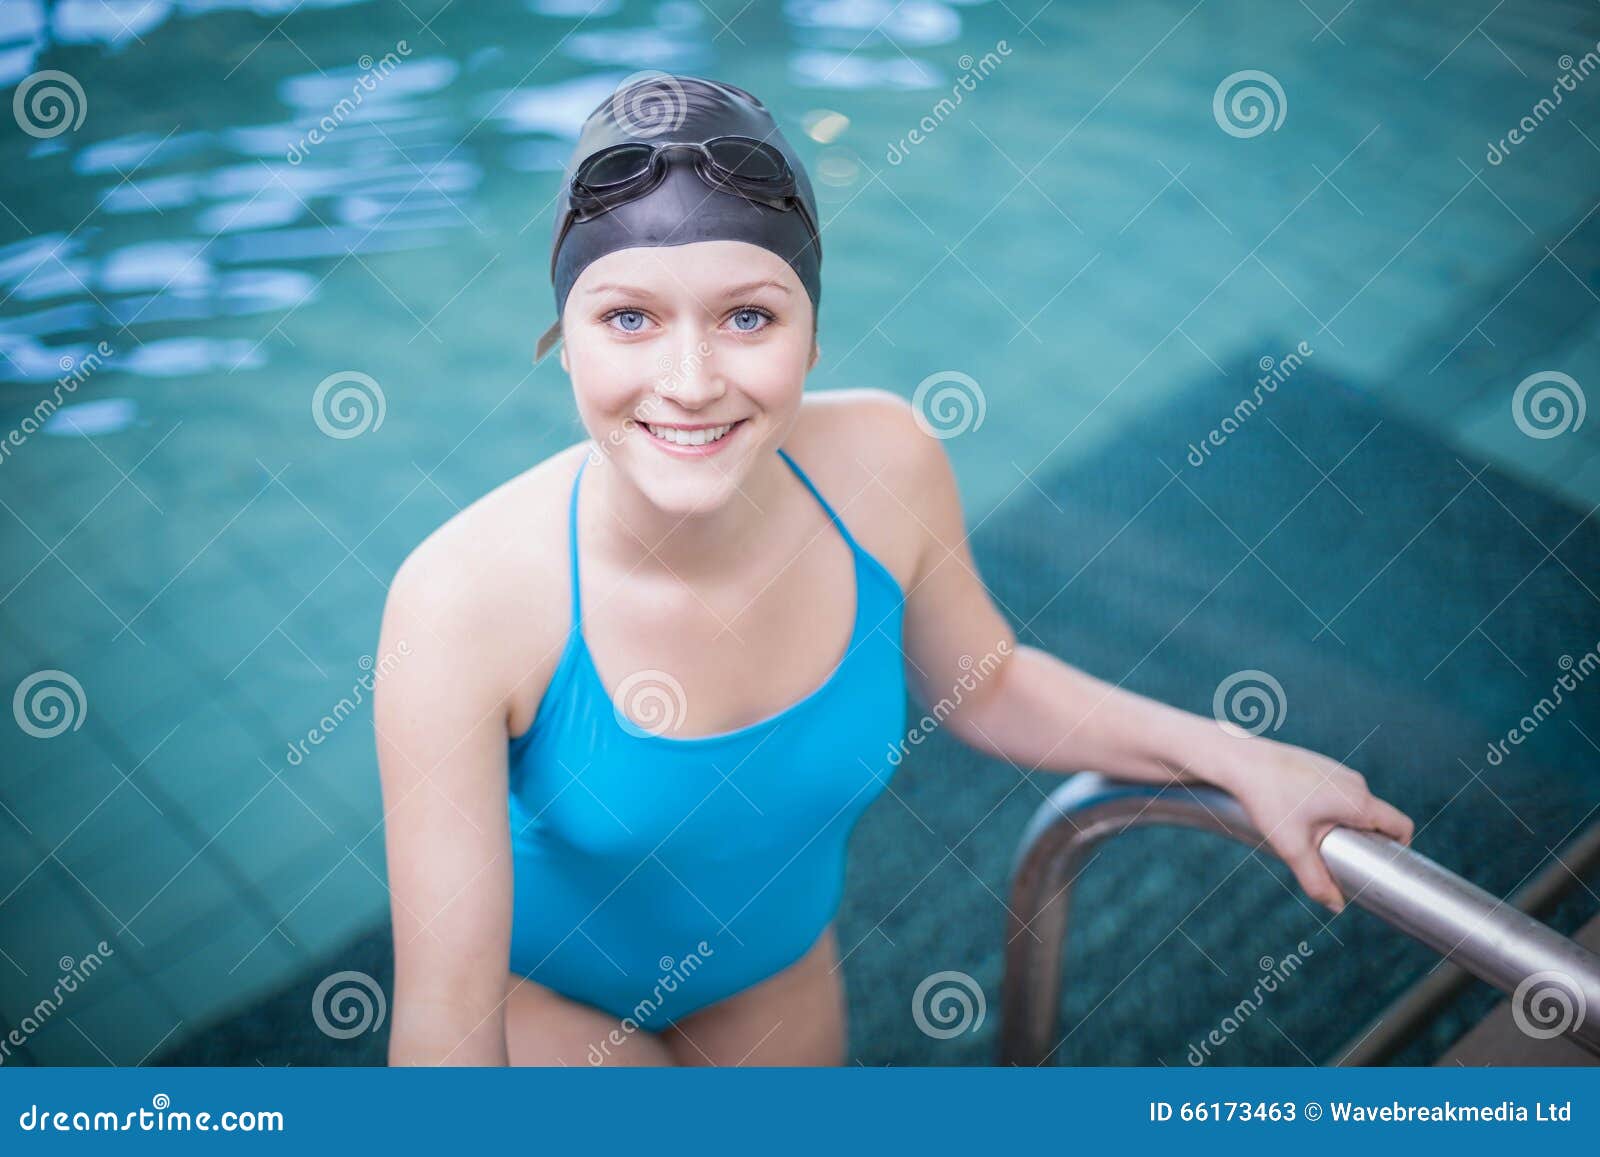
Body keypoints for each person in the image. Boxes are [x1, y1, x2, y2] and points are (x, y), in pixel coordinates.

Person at [374, 73, 1414, 1067]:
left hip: (772, 974)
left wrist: (1240, 758)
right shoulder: (463, 599)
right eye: (628, 318)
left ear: (812, 337)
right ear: (566, 339)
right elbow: (443, 1023)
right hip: (545, 1008)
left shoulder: (884, 461)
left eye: (748, 316)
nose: (689, 383)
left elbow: (991, 686)